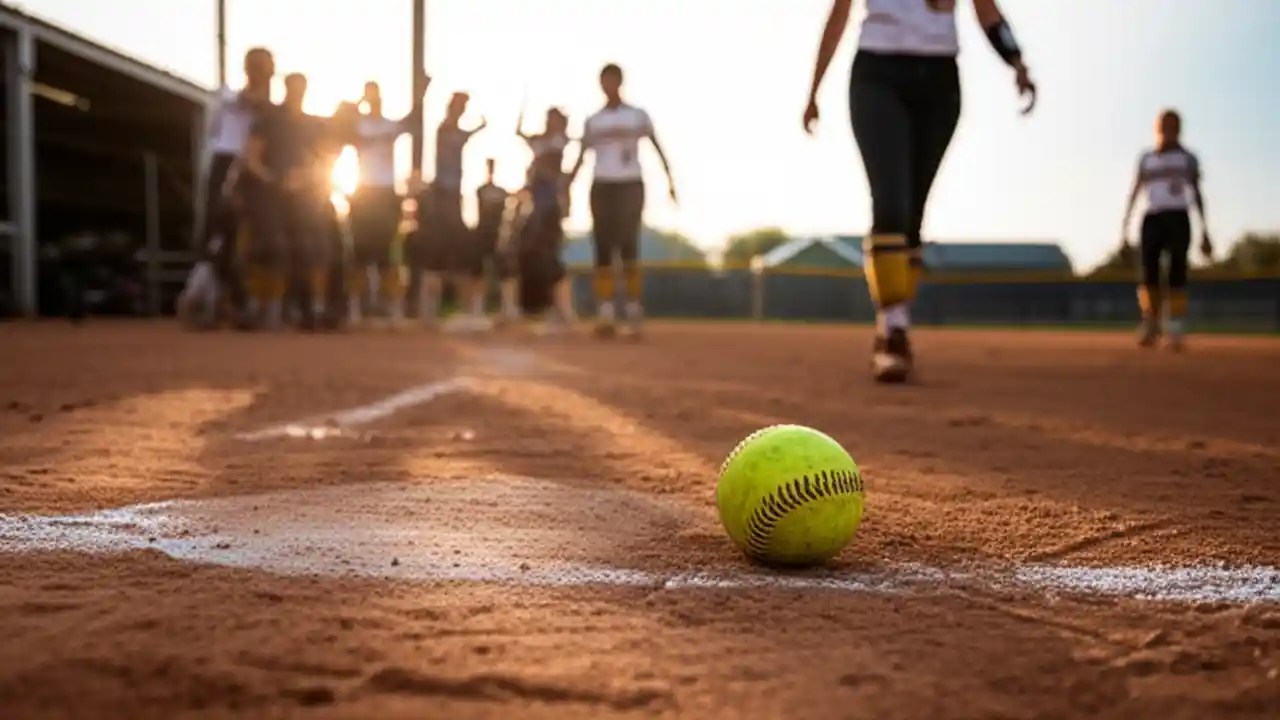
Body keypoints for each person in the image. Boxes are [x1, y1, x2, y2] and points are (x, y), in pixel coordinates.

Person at [804, 0, 1036, 382]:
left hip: (939, 81)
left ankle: (897, 322)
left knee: (913, 212)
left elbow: (988, 12)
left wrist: (1017, 62)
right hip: (878, 74)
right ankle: (892, 330)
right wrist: (814, 89)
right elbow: (839, 14)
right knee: (890, 201)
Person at [569, 64, 676, 339]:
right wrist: (567, 185)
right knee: (603, 248)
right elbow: (581, 155)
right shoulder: (594, 120)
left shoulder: (637, 116)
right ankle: (605, 312)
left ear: (620, 82)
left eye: (612, 80)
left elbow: (657, 146)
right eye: (604, 81)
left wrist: (670, 180)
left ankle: (632, 309)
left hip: (630, 184)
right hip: (602, 184)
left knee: (629, 245)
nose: (608, 85)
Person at [177, 47, 274, 328]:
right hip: (224, 164)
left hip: (246, 169)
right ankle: (202, 297)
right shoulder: (229, 96)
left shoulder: (261, 109)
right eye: (260, 68)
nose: (265, 75)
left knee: (234, 239)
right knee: (216, 233)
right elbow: (248, 101)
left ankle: (221, 301)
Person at [1119, 109, 1211, 351]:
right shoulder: (1147, 158)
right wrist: (1124, 228)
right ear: (1157, 128)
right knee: (1149, 272)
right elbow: (1135, 191)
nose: (1168, 130)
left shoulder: (1188, 158)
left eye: (1173, 125)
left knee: (1176, 272)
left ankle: (1176, 328)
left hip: (1179, 216)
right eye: (1164, 125)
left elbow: (1198, 193)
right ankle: (1150, 323)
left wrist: (1205, 230)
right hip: (1152, 217)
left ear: (1179, 129)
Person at [348, 79, 427, 326]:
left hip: (386, 194)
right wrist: (361, 102)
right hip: (364, 192)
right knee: (359, 254)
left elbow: (412, 118)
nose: (375, 100)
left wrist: (421, 92)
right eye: (370, 96)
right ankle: (355, 311)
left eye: (377, 95)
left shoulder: (389, 125)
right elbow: (343, 119)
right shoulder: (357, 125)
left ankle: (393, 310)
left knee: (389, 254)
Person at [277, 73, 331, 330]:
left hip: (309, 200)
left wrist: (312, 179)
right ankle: (285, 308)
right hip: (277, 197)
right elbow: (256, 153)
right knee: (285, 251)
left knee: (314, 252)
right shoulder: (273, 119)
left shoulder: (313, 124)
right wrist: (278, 180)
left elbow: (326, 155)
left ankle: (312, 309)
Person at [431, 92, 488, 331]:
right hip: (443, 195)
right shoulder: (445, 129)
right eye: (460, 106)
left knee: (462, 249)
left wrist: (479, 127)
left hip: (454, 195)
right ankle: (438, 308)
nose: (462, 110)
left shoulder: (454, 130)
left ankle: (465, 307)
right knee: (445, 250)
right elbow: (459, 137)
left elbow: (465, 135)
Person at [474, 159, 519, 323]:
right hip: (482, 234)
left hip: (499, 235)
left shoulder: (501, 191)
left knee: (504, 272)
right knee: (479, 272)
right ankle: (477, 309)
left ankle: (508, 308)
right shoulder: (481, 190)